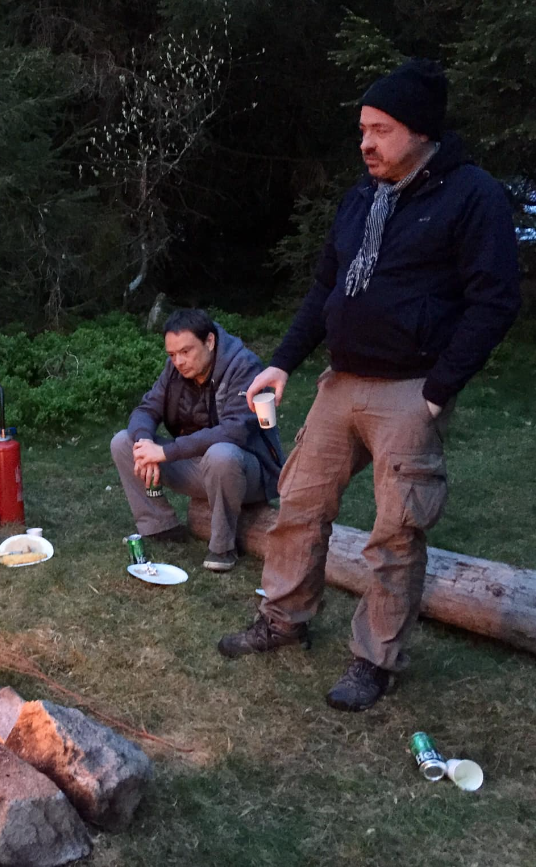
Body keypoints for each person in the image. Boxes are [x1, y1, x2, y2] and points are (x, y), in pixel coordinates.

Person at [217, 59, 521, 711]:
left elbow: (494, 300)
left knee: (395, 533)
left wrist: (437, 389)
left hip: (409, 389)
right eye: (362, 129)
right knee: (298, 503)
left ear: (420, 131)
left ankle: (373, 658)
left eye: (380, 129)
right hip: (341, 382)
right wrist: (283, 362)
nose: (365, 142)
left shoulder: (472, 196)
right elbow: (325, 286)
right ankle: (283, 618)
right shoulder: (363, 196)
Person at [110, 309, 284, 572]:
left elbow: (235, 430)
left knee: (221, 454)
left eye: (186, 351)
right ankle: (159, 526)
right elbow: (145, 409)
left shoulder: (244, 366)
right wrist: (145, 444)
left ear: (210, 341)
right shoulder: (175, 370)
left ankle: (223, 547)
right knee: (124, 441)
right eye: (172, 354)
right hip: (198, 467)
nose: (178, 361)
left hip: (248, 473)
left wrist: (166, 452)